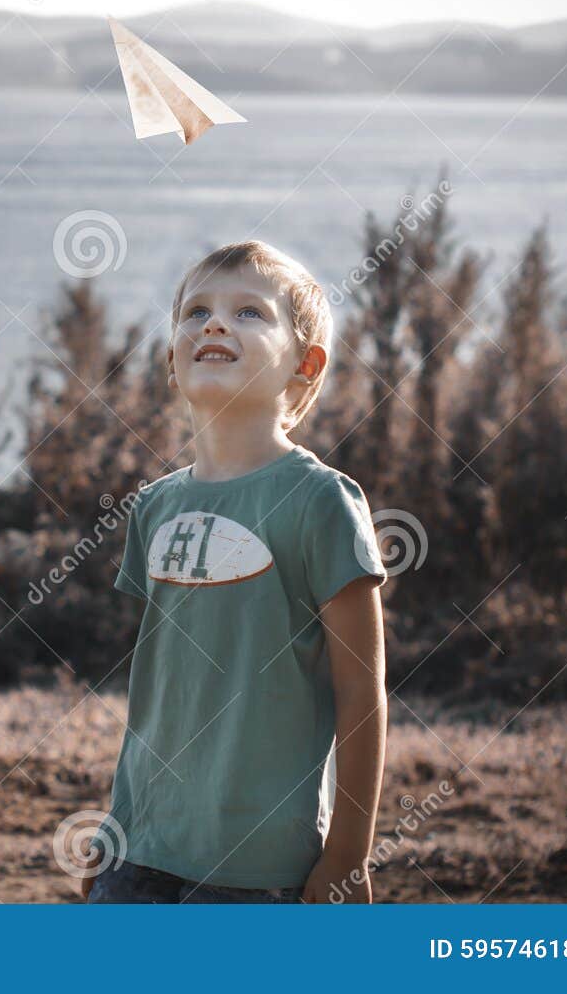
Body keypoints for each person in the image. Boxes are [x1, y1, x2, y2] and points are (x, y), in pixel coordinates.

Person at [83, 240, 389, 904]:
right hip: (139, 852)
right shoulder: (154, 507)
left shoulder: (321, 501)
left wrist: (349, 853)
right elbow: (161, 695)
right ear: (172, 360)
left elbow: (361, 695)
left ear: (304, 366)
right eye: (196, 312)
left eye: (250, 312)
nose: (215, 323)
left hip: (262, 869)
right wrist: (116, 820)